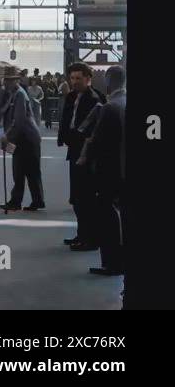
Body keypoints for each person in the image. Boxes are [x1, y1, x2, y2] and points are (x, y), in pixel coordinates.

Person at [82, 66, 126, 276]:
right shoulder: (126, 102)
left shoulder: (109, 107)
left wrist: (84, 159)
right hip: (124, 168)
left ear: (108, 81)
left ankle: (112, 263)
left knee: (107, 218)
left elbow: (98, 141)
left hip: (110, 171)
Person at [58, 62, 106, 251]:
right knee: (77, 198)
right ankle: (82, 234)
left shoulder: (95, 98)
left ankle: (91, 239)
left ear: (88, 79)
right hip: (74, 150)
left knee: (86, 198)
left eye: (79, 78)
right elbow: (66, 120)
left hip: (87, 153)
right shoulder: (70, 96)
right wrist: (64, 138)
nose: (74, 82)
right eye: (72, 78)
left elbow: (93, 128)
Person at [0, 67, 45, 212]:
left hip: (27, 138)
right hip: (21, 138)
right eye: (5, 79)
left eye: (9, 80)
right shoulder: (12, 94)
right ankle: (23, 201)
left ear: (16, 80)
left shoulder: (19, 95)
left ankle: (23, 201)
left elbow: (18, 120)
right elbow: (0, 110)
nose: (6, 82)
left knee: (27, 171)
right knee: (21, 171)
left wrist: (7, 136)